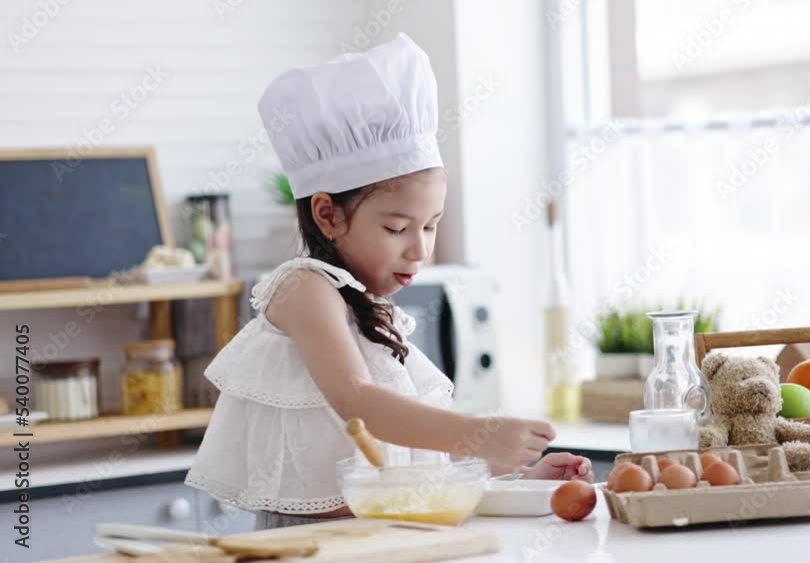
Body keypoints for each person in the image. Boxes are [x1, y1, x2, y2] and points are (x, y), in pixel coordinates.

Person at [185, 33, 593, 531]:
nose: (420, 249)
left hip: (385, 535)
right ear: (327, 214)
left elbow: (406, 467)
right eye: (397, 228)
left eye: (431, 225)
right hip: (315, 543)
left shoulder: (374, 310)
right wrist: (477, 433)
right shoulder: (304, 289)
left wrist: (520, 478)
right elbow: (358, 403)